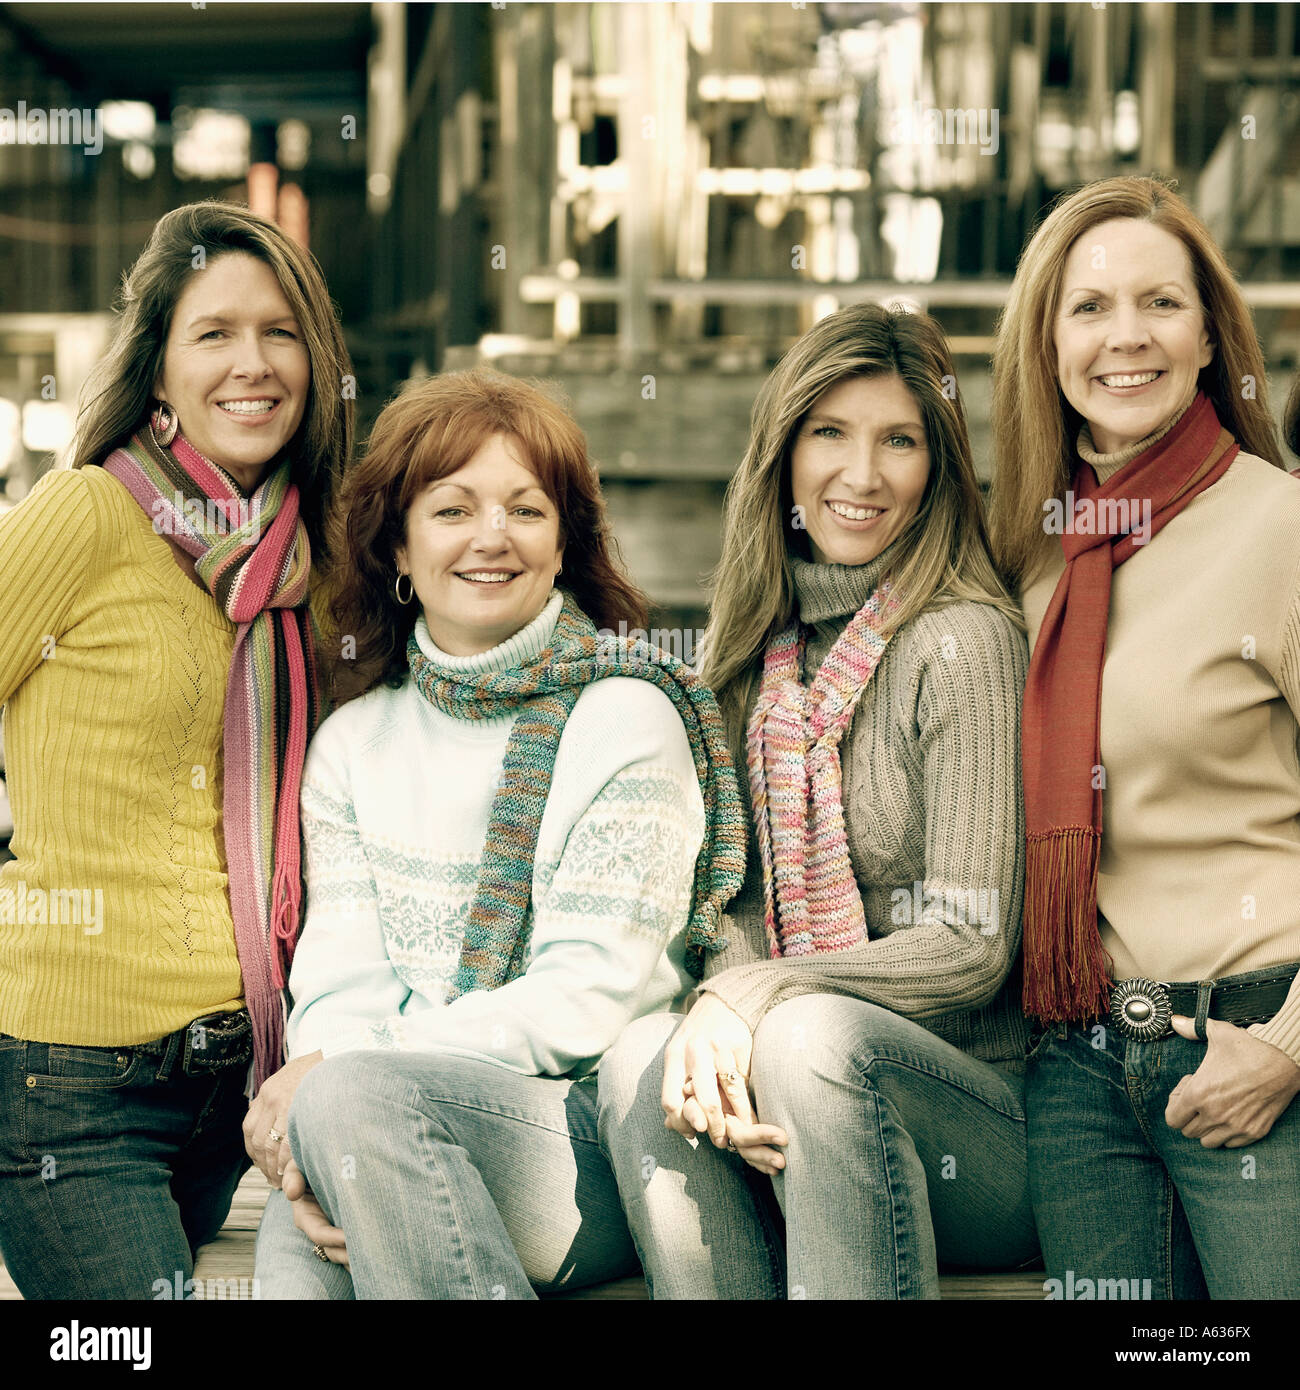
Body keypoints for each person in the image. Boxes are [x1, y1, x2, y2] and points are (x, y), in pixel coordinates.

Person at [251, 368, 745, 1299]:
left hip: (591, 1138)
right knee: (301, 1243)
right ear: (398, 549)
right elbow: (338, 986)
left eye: (526, 509)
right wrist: (337, 1105)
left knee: (346, 1101)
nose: (492, 538)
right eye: (452, 510)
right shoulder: (354, 744)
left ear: (565, 545)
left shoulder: (628, 715)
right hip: (385, 1121)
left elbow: (583, 1005)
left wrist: (350, 1083)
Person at [597, 302, 1038, 1299]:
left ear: (939, 466)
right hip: (804, 1092)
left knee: (805, 1036)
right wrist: (728, 1006)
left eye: (899, 441)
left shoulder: (963, 642)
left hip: (984, 1120)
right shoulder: (759, 659)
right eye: (829, 434)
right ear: (782, 456)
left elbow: (970, 944)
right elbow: (739, 910)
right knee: (639, 1058)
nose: (862, 474)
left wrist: (751, 1001)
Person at [0, 201, 353, 1299]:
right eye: (214, 333)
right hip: (71, 1081)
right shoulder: (84, 516)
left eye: (280, 331)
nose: (252, 363)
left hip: (240, 1079)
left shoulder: (320, 552)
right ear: (157, 367)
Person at [989, 174, 1300, 1300]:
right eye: (1089, 307)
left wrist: (1287, 1045)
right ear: (1047, 340)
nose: (1126, 336)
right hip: (1079, 1067)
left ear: (1211, 334)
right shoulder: (1034, 553)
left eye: (1160, 304)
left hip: (1256, 1037)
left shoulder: (1280, 526)